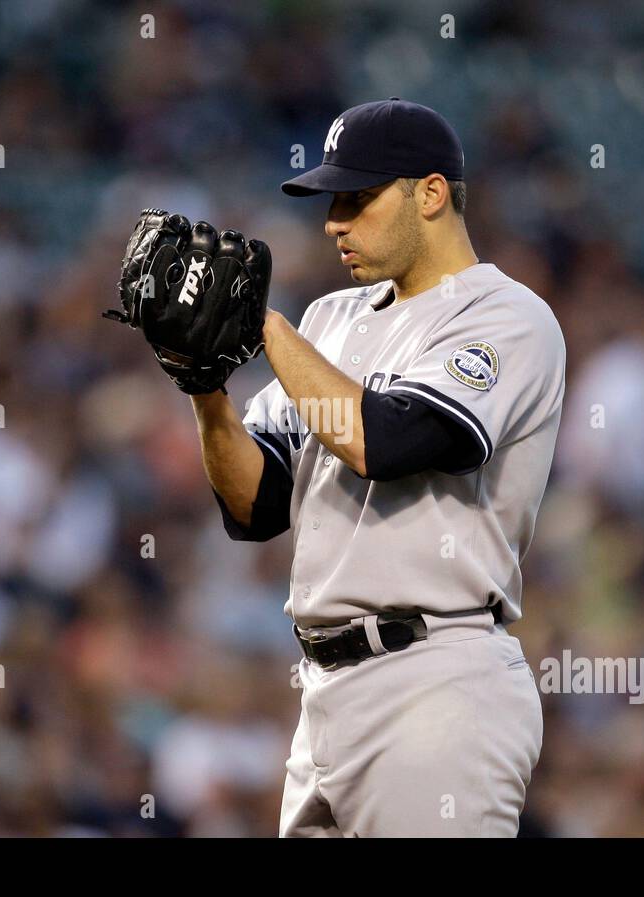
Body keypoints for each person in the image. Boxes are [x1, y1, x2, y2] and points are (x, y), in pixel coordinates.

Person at [190, 98, 566, 837]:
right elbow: (256, 506)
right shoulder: (332, 320)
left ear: (430, 194)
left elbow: (384, 442)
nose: (334, 220)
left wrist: (263, 326)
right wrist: (204, 389)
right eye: (332, 200)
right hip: (324, 694)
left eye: (357, 198)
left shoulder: (506, 317)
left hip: (437, 684)